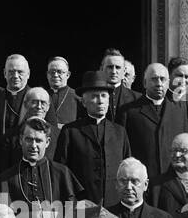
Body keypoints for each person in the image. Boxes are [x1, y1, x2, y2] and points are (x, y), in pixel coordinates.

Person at [0, 117, 82, 218]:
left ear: (48, 142)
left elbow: (71, 212)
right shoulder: (6, 178)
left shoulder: (61, 173)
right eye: (29, 139)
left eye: (38, 140)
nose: (33, 145)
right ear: (21, 140)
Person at [54, 70, 132, 205]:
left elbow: (127, 168)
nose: (100, 101)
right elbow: (61, 172)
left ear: (108, 100)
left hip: (114, 203)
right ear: (84, 102)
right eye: (95, 96)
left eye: (103, 96)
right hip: (81, 204)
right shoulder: (71, 131)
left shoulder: (120, 132)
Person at [120, 62, 186, 184]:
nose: (159, 84)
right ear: (145, 83)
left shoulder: (180, 111)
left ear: (168, 83)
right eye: (154, 79)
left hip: (172, 180)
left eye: (163, 79)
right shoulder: (129, 112)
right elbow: (123, 149)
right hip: (141, 181)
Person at [6, 86, 61, 161]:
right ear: (25, 104)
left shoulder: (59, 135)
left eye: (43, 103)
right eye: (34, 102)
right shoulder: (11, 136)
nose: (39, 107)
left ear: (48, 107)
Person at [102, 48, 140, 122]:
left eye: (118, 67)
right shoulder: (94, 96)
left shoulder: (137, 99)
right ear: (102, 69)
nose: (114, 71)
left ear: (124, 71)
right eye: (110, 67)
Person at [44, 56, 81, 126]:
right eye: (52, 72)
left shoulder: (77, 97)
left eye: (59, 72)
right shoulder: (42, 95)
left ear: (68, 75)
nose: (55, 75)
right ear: (47, 75)